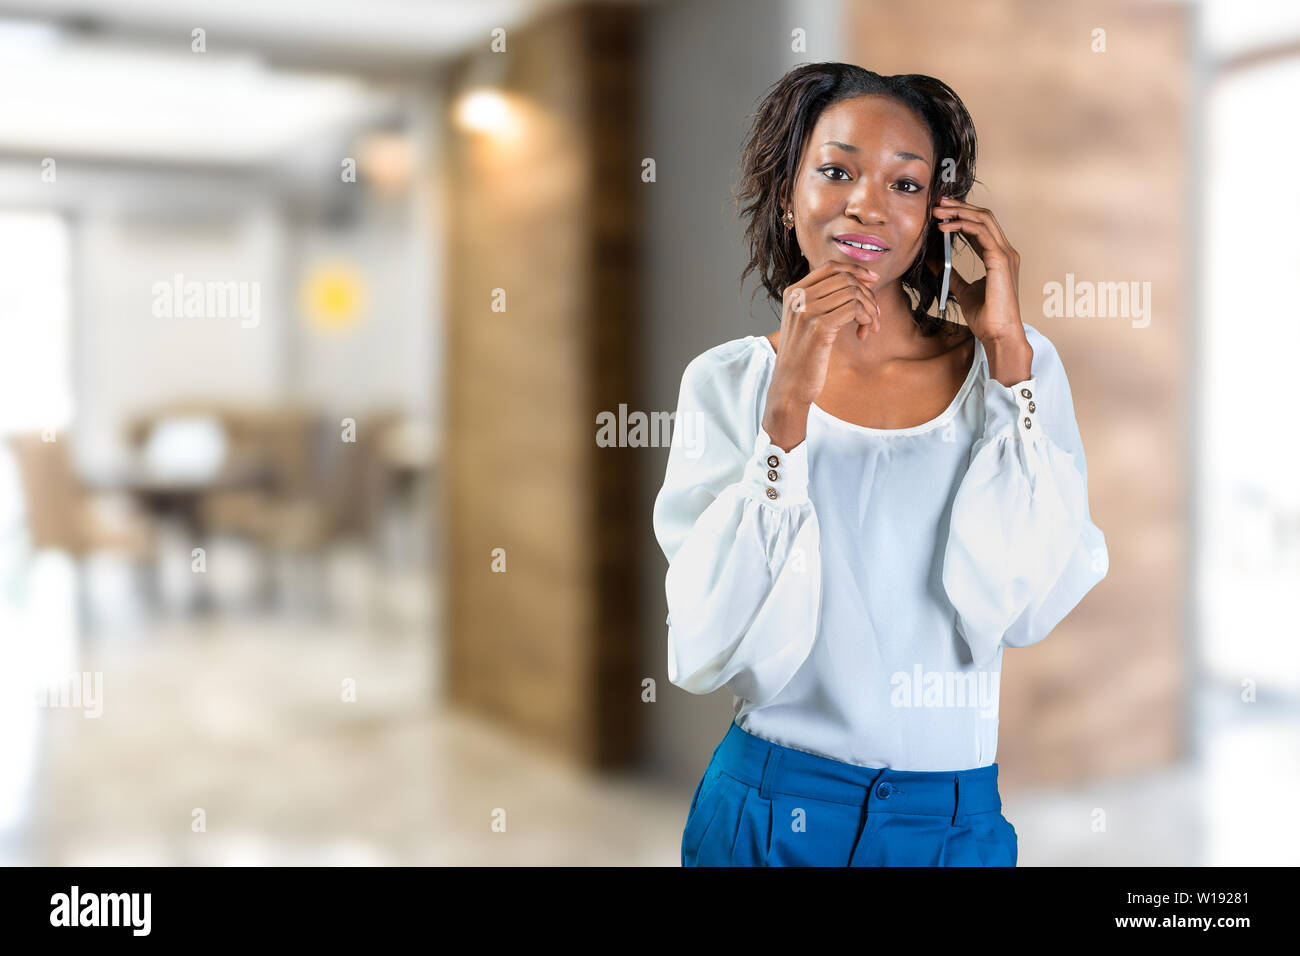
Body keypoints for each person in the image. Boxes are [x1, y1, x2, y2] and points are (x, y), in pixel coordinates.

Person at [652, 63, 1108, 866]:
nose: (867, 203)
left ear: (937, 213)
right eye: (836, 171)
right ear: (787, 189)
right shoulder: (727, 383)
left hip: (952, 825)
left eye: (905, 183)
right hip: (767, 811)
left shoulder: (1014, 377)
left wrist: (1007, 352)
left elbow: (1029, 602)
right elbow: (712, 637)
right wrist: (785, 412)